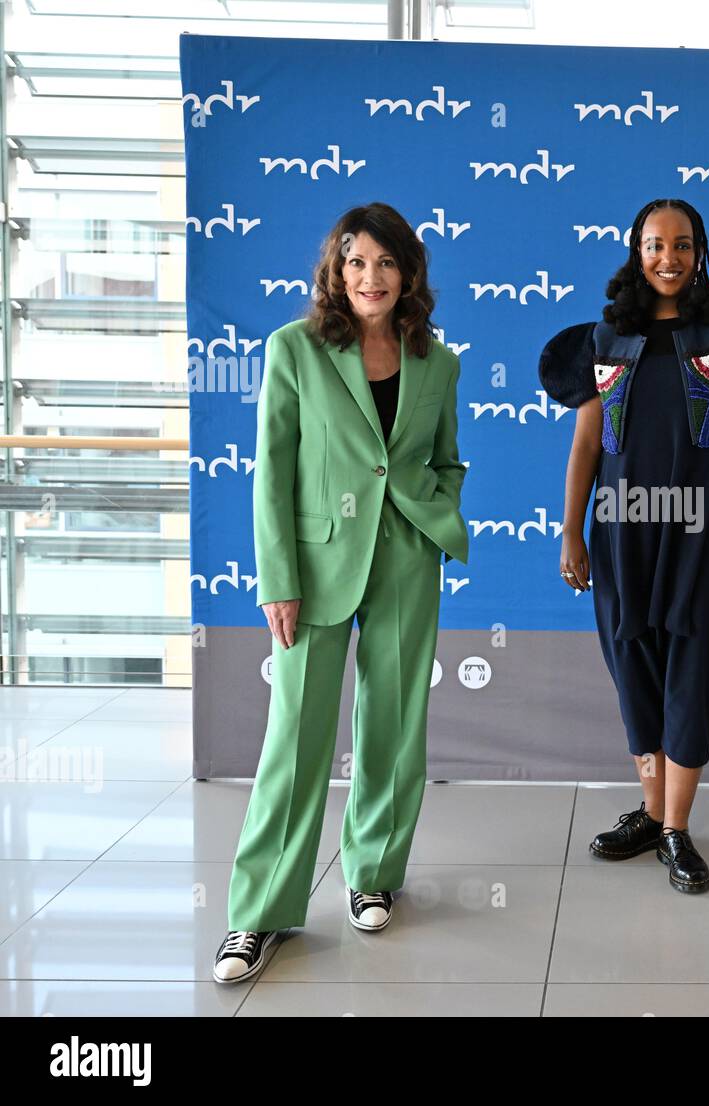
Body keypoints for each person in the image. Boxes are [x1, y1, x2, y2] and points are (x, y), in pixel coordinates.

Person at [213, 202, 469, 983]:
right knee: (294, 739)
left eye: (386, 263)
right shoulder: (294, 350)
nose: (371, 277)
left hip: (404, 558)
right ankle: (259, 915)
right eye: (357, 261)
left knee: (394, 724)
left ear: (408, 273)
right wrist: (279, 580)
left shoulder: (439, 360)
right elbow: (272, 474)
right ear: (336, 269)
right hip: (317, 564)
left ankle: (374, 873)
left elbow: (445, 457)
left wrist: (434, 510)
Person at [538, 198, 709, 893]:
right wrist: (571, 530)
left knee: (696, 665)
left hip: (707, 531)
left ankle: (679, 829)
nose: (668, 258)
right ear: (636, 251)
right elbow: (588, 444)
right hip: (621, 531)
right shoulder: (605, 340)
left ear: (700, 253)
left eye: (682, 245)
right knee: (636, 669)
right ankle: (653, 814)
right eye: (655, 245)